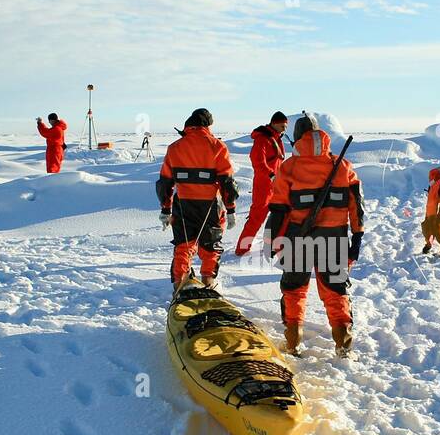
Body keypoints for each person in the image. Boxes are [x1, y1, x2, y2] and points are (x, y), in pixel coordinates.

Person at [264, 113, 364, 357]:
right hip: (335, 239)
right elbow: (356, 205)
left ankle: (293, 341)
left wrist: (271, 241)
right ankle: (343, 343)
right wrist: (357, 237)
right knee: (336, 290)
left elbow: (278, 209)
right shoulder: (343, 166)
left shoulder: (288, 168)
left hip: (298, 238)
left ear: (297, 138)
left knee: (294, 289)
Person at [155, 108, 239, 289]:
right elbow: (227, 182)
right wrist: (231, 209)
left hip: (183, 203)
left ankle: (179, 286)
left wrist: (165, 209)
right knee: (211, 246)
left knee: (183, 246)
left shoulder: (174, 148)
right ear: (208, 125)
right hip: (210, 205)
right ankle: (209, 282)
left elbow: (165, 182)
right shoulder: (217, 146)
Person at [234, 111, 288, 256]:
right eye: (283, 126)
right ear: (275, 123)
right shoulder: (263, 139)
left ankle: (278, 247)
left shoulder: (275, 138)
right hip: (264, 185)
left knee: (284, 215)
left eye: (286, 126)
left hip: (276, 185)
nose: (285, 129)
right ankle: (242, 250)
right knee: (257, 217)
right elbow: (257, 161)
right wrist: (270, 175)